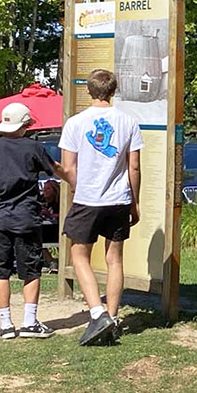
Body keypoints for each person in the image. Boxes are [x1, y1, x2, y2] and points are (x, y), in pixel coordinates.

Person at [60, 69, 143, 346]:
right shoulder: (129, 122)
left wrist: (76, 187)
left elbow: (69, 167)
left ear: (89, 90)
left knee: (79, 256)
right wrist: (135, 200)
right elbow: (133, 166)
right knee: (114, 259)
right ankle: (113, 316)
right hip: (118, 199)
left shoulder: (75, 123)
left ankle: (97, 313)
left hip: (88, 198)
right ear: (114, 90)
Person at [0, 102, 66, 339]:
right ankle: (30, 322)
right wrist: (73, 177)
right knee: (30, 269)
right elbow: (55, 169)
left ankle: (5, 325)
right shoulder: (34, 148)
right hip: (26, 217)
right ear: (25, 125)